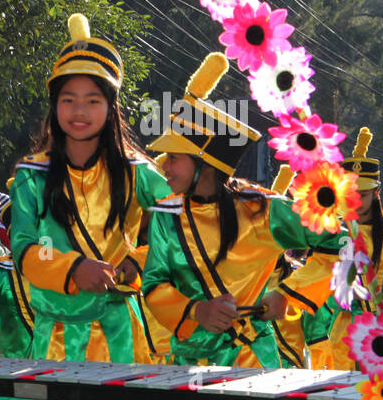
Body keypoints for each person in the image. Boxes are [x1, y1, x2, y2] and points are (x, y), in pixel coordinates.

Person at [142, 53, 344, 368]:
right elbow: (154, 284)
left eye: (173, 157)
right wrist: (197, 311)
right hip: (185, 363)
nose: (164, 166)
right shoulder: (165, 216)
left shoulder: (260, 210)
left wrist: (288, 294)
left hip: (250, 362)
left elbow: (338, 243)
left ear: (205, 163)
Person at [9, 13, 172, 363]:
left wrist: (137, 262)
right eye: (68, 99)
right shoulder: (30, 174)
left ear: (111, 107)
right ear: (54, 105)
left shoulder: (138, 172)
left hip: (120, 334)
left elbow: (183, 226)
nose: (78, 110)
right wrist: (72, 269)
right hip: (53, 336)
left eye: (93, 100)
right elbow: (23, 248)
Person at [324, 127, 383, 369]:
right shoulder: (333, 233)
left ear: (376, 192)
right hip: (346, 331)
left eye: (363, 194)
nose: (357, 201)